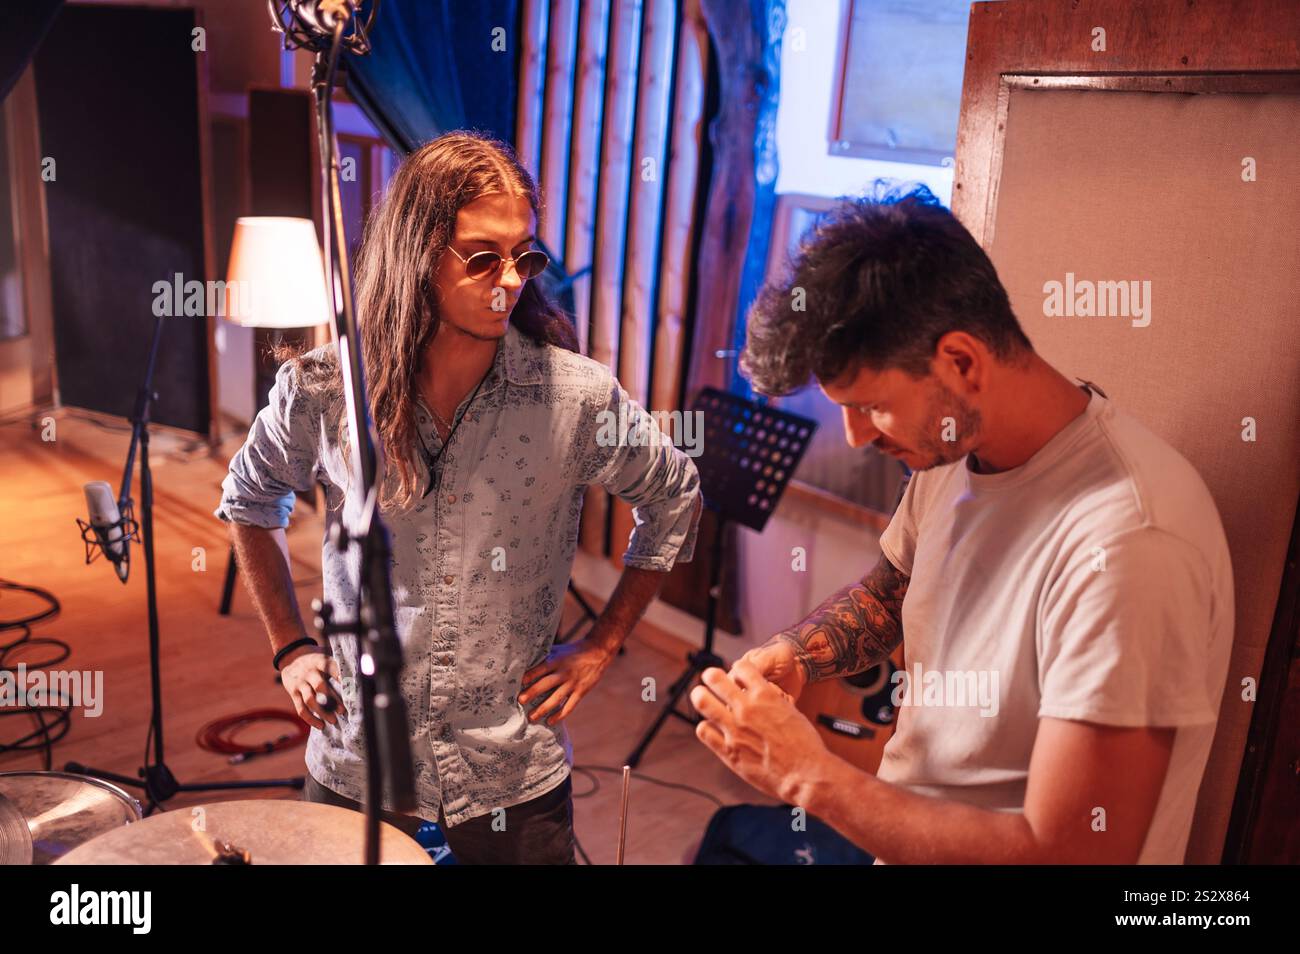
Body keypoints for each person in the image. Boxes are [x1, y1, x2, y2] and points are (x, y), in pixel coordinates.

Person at [690, 183, 1233, 864]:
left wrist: (807, 774)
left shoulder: (1128, 543)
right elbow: (894, 593)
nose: (856, 438)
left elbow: (1073, 855)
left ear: (962, 363)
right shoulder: (950, 450)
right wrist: (798, 654)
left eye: (871, 406)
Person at [215, 132, 702, 864]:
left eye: (524, 256)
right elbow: (249, 499)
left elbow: (675, 495)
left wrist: (603, 644)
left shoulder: (575, 398)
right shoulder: (325, 388)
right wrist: (289, 647)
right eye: (481, 257)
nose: (509, 278)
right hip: (359, 761)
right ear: (419, 251)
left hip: (511, 774)